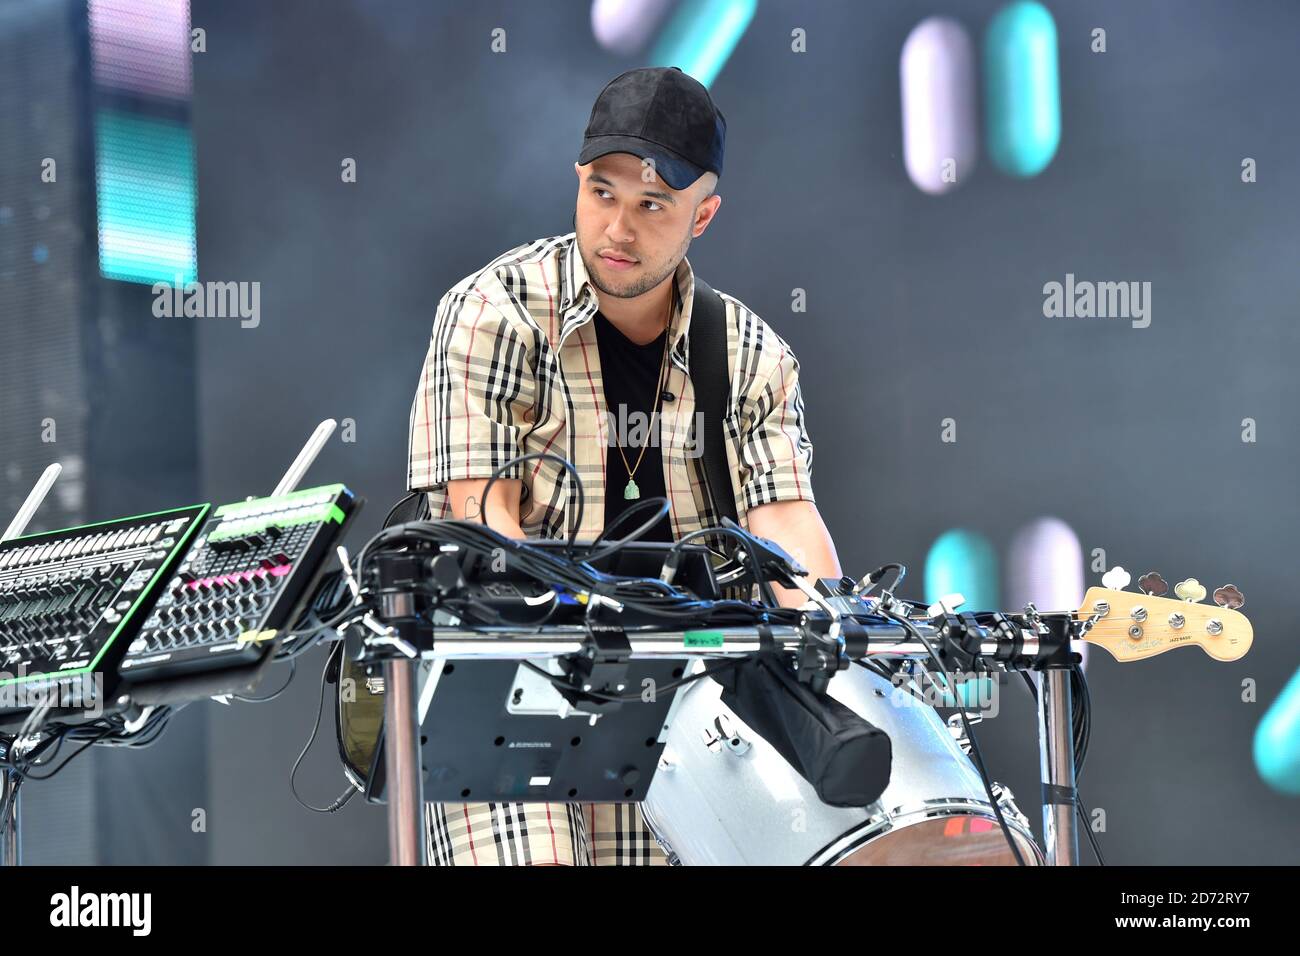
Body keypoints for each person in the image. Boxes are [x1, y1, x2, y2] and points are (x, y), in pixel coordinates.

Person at [407, 66, 841, 865]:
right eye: (602, 193)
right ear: (578, 179)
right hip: (516, 677)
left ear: (702, 214)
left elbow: (784, 523)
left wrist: (838, 639)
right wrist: (583, 616)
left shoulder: (748, 354)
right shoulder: (498, 308)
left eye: (652, 205)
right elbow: (479, 518)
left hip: (684, 708)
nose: (618, 228)